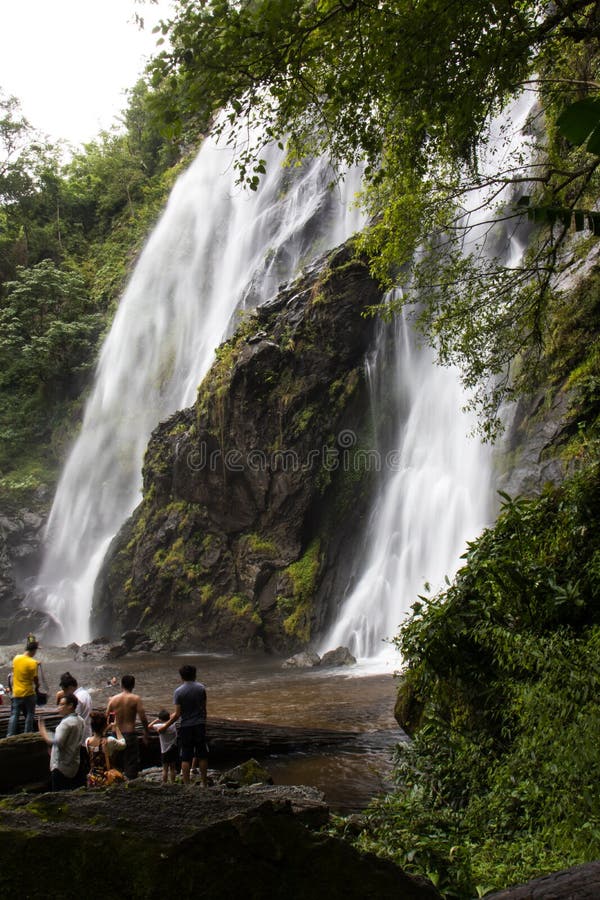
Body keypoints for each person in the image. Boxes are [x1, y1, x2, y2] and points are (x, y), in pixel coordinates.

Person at [159, 664, 208, 787]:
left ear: (181, 676)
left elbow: (177, 714)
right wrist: (203, 721)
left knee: (186, 755)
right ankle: (204, 782)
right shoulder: (201, 688)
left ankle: (186, 785)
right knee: (202, 754)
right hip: (199, 725)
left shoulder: (178, 692)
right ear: (194, 675)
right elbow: (204, 708)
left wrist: (165, 726)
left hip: (186, 726)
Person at [106, 674, 150, 780]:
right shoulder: (135, 699)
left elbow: (107, 717)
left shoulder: (113, 699)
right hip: (129, 734)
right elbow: (143, 718)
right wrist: (146, 733)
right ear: (133, 685)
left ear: (121, 684)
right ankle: (130, 783)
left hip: (116, 734)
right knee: (131, 761)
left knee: (116, 760)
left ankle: (115, 780)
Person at [38, 693, 85, 791]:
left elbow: (57, 741)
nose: (59, 707)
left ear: (70, 705)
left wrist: (42, 730)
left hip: (61, 766)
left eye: (62, 704)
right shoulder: (80, 720)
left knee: (59, 794)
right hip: (74, 764)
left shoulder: (66, 723)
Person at [7, 635, 40, 736]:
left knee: (14, 715)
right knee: (30, 714)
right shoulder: (33, 663)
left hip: (17, 693)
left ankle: (10, 735)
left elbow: (15, 672)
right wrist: (38, 686)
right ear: (33, 650)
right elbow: (35, 680)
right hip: (29, 693)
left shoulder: (16, 658)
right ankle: (27, 735)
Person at [85, 711, 126, 786]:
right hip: (107, 778)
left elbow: (98, 737)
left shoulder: (87, 741)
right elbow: (123, 744)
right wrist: (116, 727)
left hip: (93, 779)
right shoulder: (109, 741)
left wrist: (105, 729)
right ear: (105, 725)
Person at [149, 709, 179, 784]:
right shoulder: (173, 724)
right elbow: (173, 717)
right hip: (173, 748)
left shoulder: (159, 726)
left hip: (164, 750)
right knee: (173, 768)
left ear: (161, 719)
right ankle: (173, 783)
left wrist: (156, 720)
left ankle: (164, 783)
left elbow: (149, 726)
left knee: (165, 769)